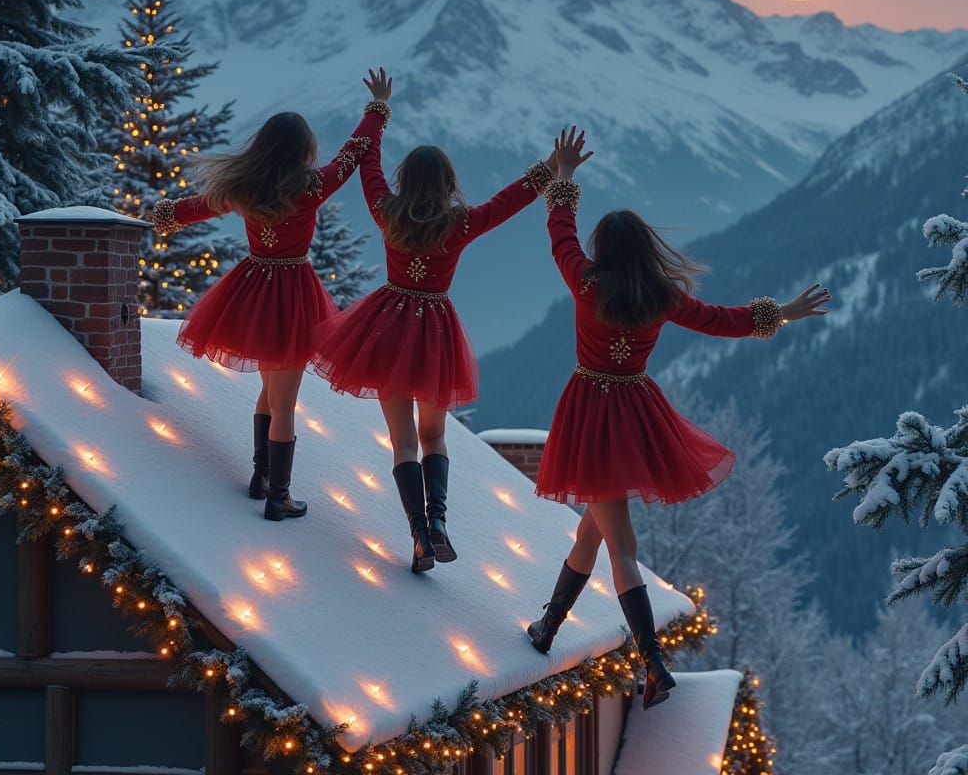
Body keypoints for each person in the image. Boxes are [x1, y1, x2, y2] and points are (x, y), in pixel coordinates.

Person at [526, 127, 830, 710]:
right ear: (644, 249)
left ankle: (652, 661)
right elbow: (724, 320)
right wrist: (784, 312)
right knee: (595, 530)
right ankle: (547, 628)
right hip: (637, 414)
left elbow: (559, 233)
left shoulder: (585, 280)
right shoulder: (662, 297)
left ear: (604, 250)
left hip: (589, 413)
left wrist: (564, 178)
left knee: (620, 546)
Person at [312, 68, 559, 572]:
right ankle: (440, 521)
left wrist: (377, 112)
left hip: (385, 326)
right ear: (448, 184)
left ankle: (419, 534)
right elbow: (507, 202)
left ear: (407, 181)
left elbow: (368, 168)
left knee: (401, 440)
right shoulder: (460, 223)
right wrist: (551, 168)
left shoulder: (387, 211)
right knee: (434, 436)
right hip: (434, 333)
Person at [151, 84, 391, 521]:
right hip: (294, 294)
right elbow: (354, 155)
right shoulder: (311, 186)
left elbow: (198, 207)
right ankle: (278, 497)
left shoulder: (246, 186)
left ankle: (262, 478)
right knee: (284, 402)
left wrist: (160, 215)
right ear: (303, 150)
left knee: (268, 391)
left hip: (254, 290)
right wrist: (377, 110)